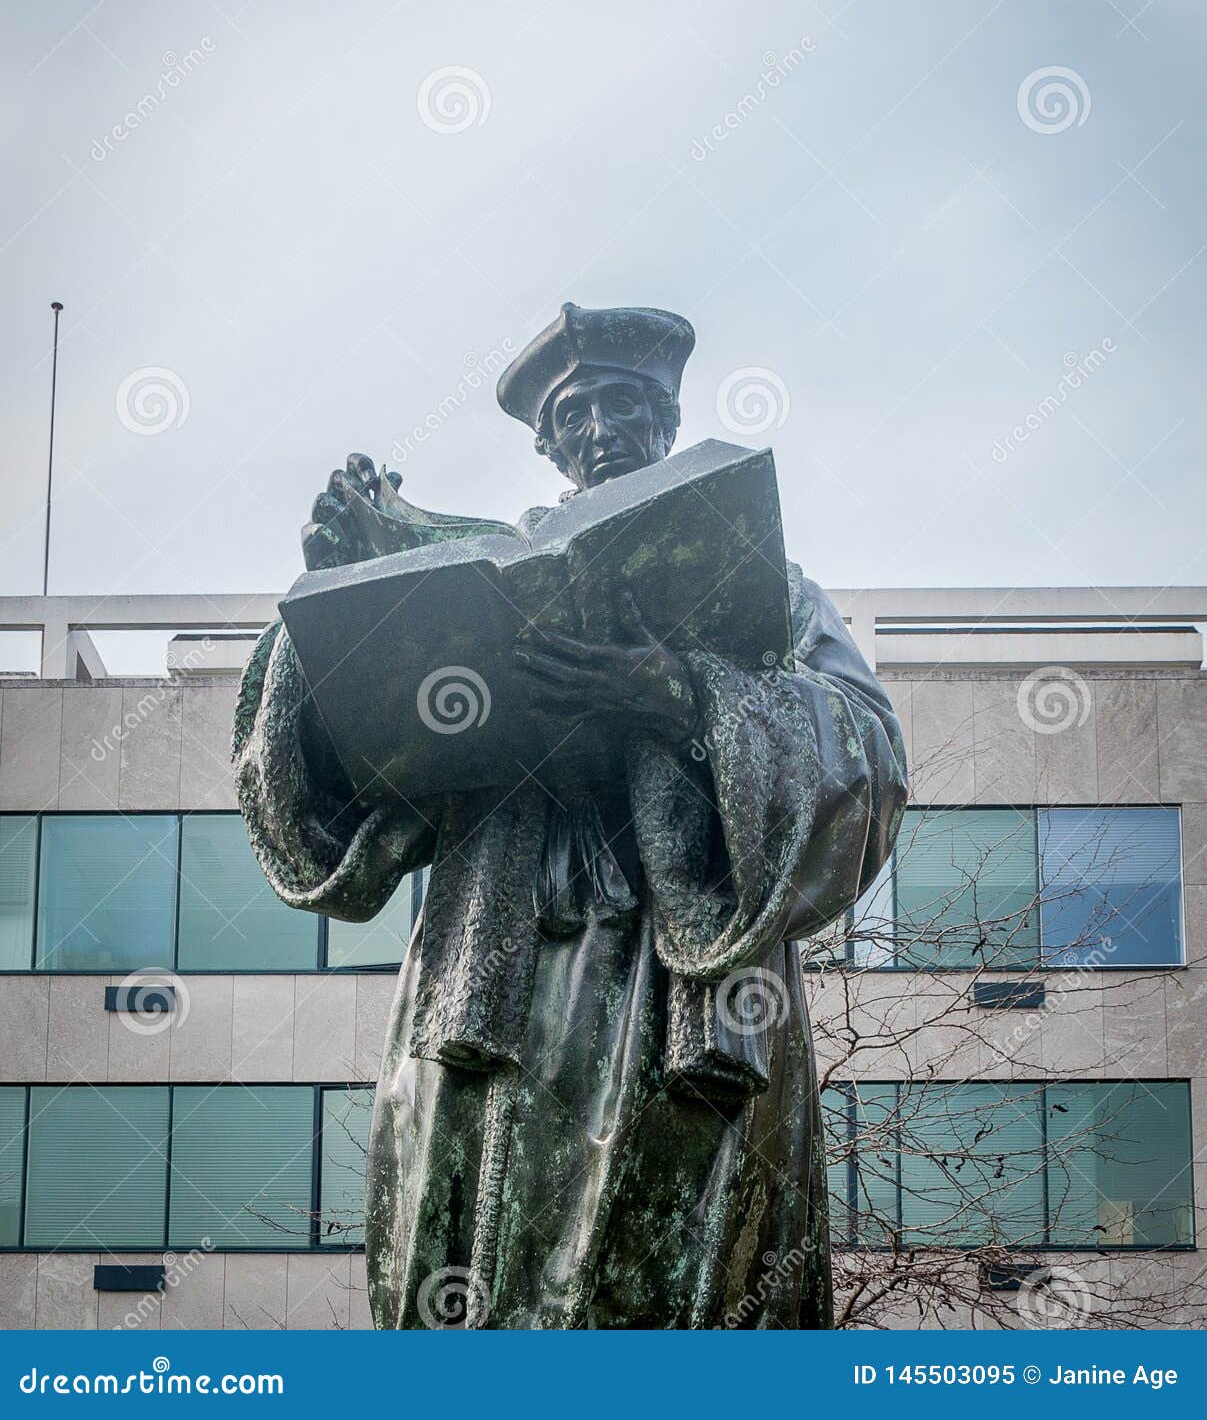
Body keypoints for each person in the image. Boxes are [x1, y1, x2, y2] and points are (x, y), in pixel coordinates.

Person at [234, 302, 907, 1328]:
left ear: (669, 422)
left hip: (678, 977)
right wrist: (336, 598)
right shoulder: (482, 585)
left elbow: (866, 754)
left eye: (627, 405)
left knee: (674, 1251)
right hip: (493, 976)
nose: (602, 429)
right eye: (579, 412)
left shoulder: (770, 595)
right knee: (472, 1247)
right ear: (549, 440)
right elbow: (322, 786)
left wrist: (679, 693)